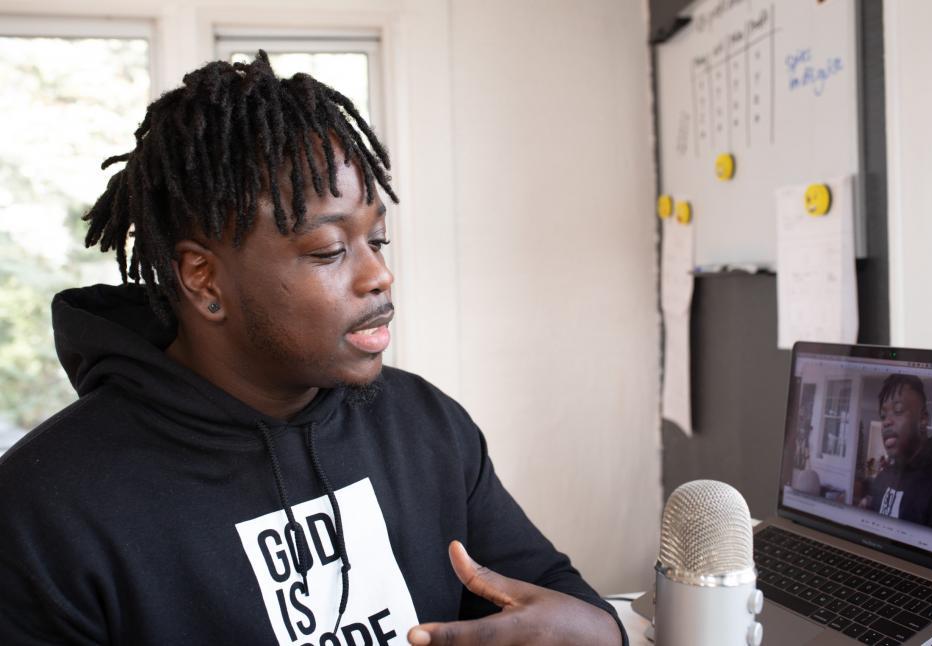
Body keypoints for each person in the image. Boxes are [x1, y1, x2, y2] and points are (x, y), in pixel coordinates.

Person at [0, 52, 625, 645]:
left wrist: (605, 630)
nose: (378, 275)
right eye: (329, 251)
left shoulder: (426, 426)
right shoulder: (49, 506)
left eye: (377, 239)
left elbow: (557, 604)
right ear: (204, 279)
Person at [862, 374, 932, 538]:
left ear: (923, 420)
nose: (886, 422)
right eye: (883, 416)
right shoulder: (882, 478)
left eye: (898, 411)